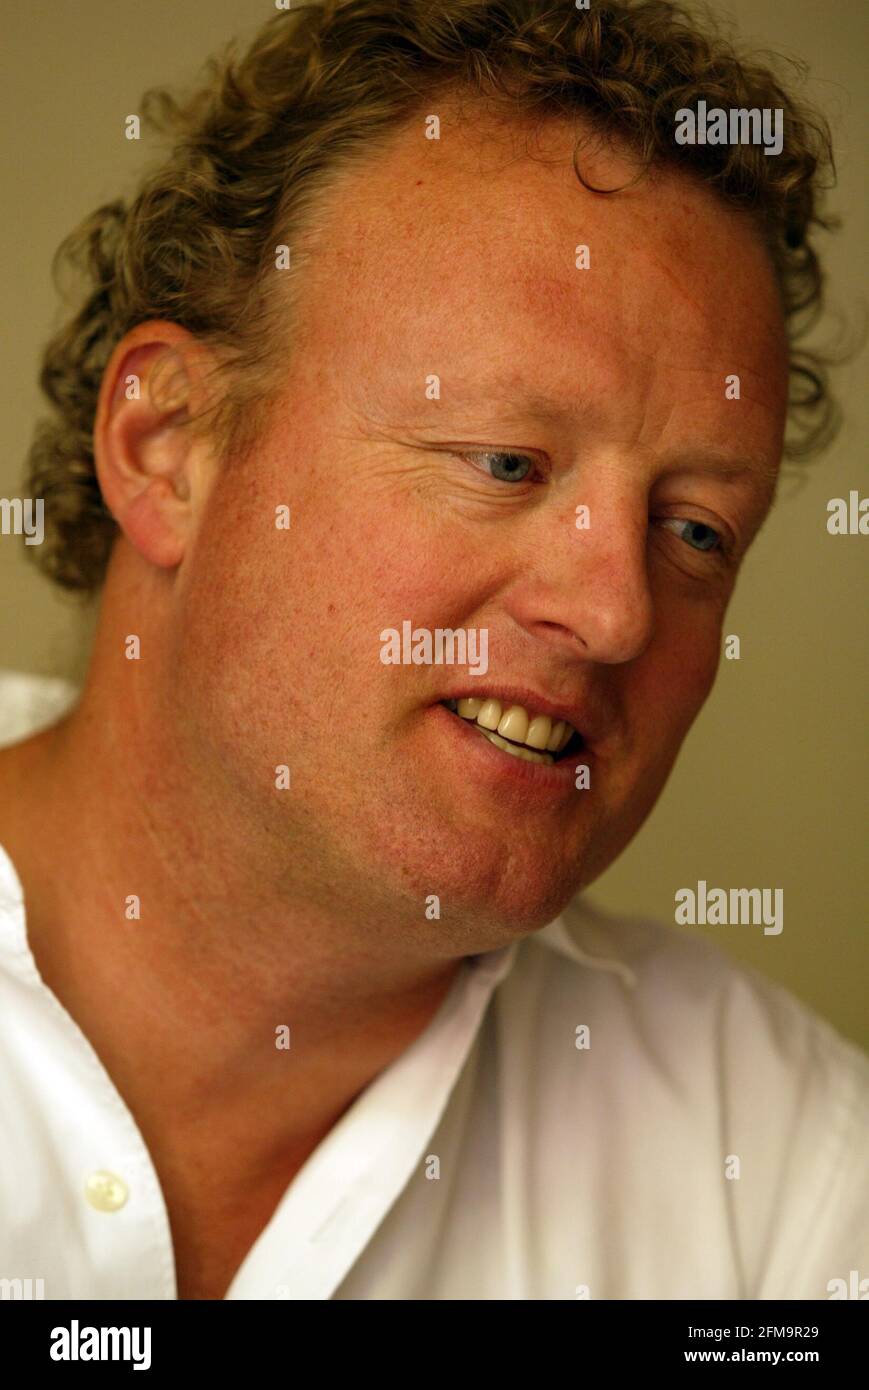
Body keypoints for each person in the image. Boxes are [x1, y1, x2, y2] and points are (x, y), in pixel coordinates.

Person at [0, 0, 865, 1301]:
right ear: (166, 445)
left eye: (693, 529)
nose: (616, 611)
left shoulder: (784, 1165)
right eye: (504, 461)